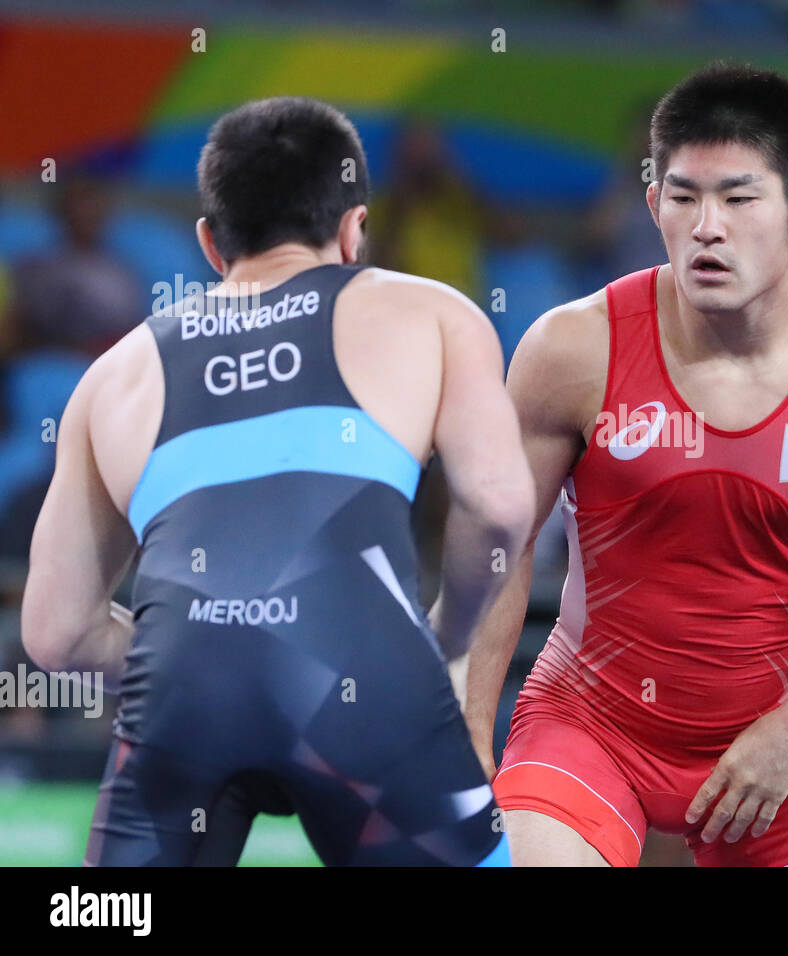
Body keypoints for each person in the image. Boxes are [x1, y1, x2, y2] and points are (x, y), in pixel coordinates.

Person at [464, 63, 788, 867]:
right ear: (653, 205)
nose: (708, 227)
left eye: (739, 199)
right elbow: (500, 543)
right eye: (684, 198)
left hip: (765, 757)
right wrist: (468, 731)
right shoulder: (573, 349)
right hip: (586, 728)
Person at [20, 96, 535, 866]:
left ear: (209, 241)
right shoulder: (431, 313)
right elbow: (498, 506)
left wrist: (201, 660)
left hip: (181, 708)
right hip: (371, 682)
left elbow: (55, 634)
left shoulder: (113, 375)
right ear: (355, 228)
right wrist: (445, 641)